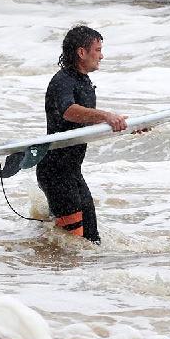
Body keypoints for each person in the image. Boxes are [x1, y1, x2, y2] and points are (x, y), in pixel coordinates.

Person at [37, 24, 128, 244]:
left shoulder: (83, 81)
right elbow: (69, 112)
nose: (102, 55)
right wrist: (107, 116)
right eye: (97, 50)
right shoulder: (63, 81)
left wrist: (127, 126)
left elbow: (87, 124)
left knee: (91, 242)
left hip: (72, 171)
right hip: (56, 172)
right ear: (81, 52)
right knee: (71, 245)